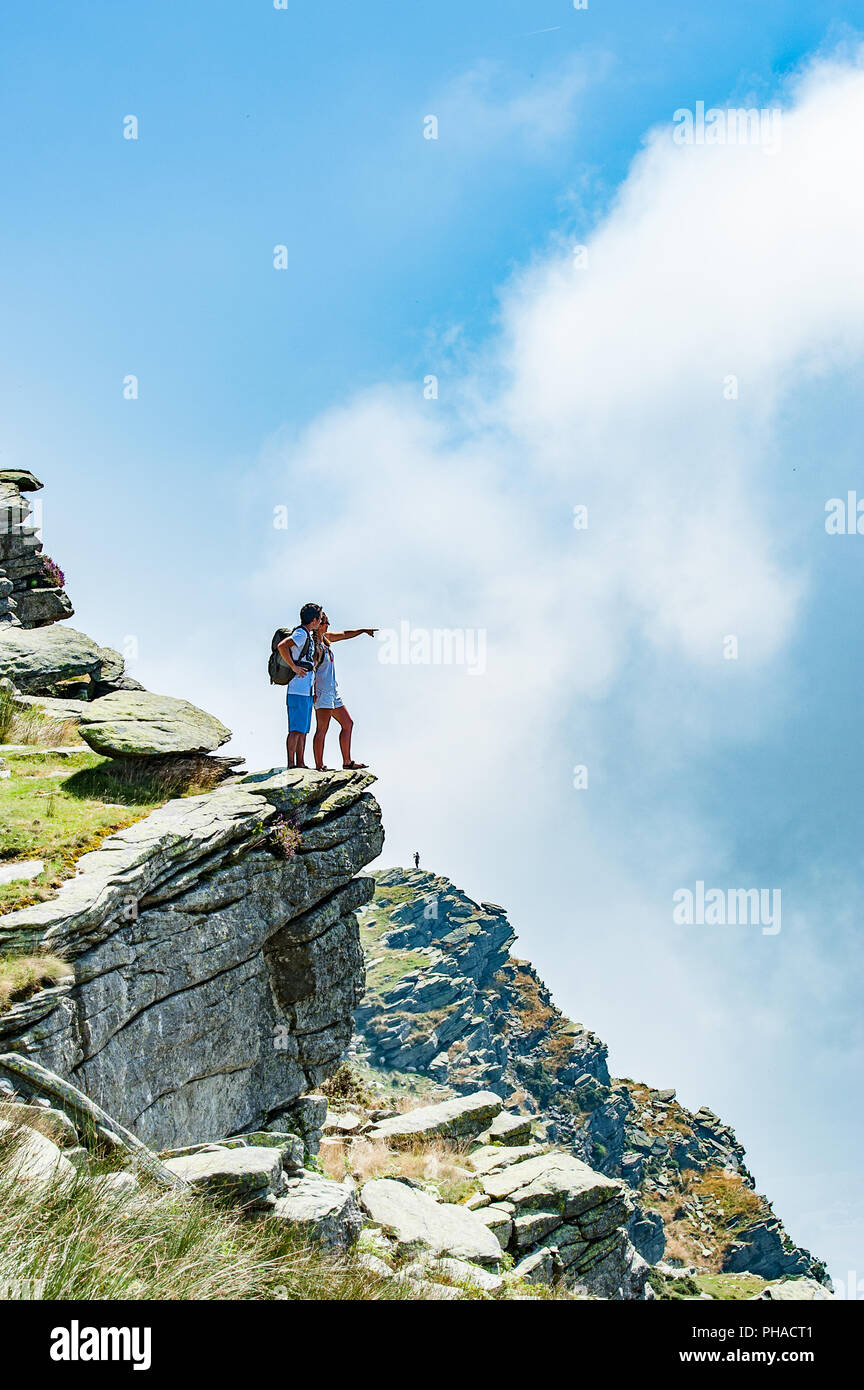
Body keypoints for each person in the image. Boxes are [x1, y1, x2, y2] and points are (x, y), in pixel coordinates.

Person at [312, 613, 376, 770]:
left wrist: (362, 631)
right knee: (322, 729)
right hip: (322, 692)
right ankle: (319, 765)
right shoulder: (315, 646)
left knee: (347, 723)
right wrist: (312, 692)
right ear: (318, 623)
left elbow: (344, 635)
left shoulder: (325, 639)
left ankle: (347, 762)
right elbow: (311, 671)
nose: (328, 624)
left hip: (333, 692)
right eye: (326, 622)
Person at [278, 603, 323, 769]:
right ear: (314, 619)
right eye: (320, 618)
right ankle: (291, 763)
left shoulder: (308, 635)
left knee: (303, 729)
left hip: (306, 689)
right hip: (297, 688)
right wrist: (293, 666)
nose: (321, 621)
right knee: (296, 729)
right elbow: (282, 646)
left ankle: (301, 763)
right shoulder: (301, 634)